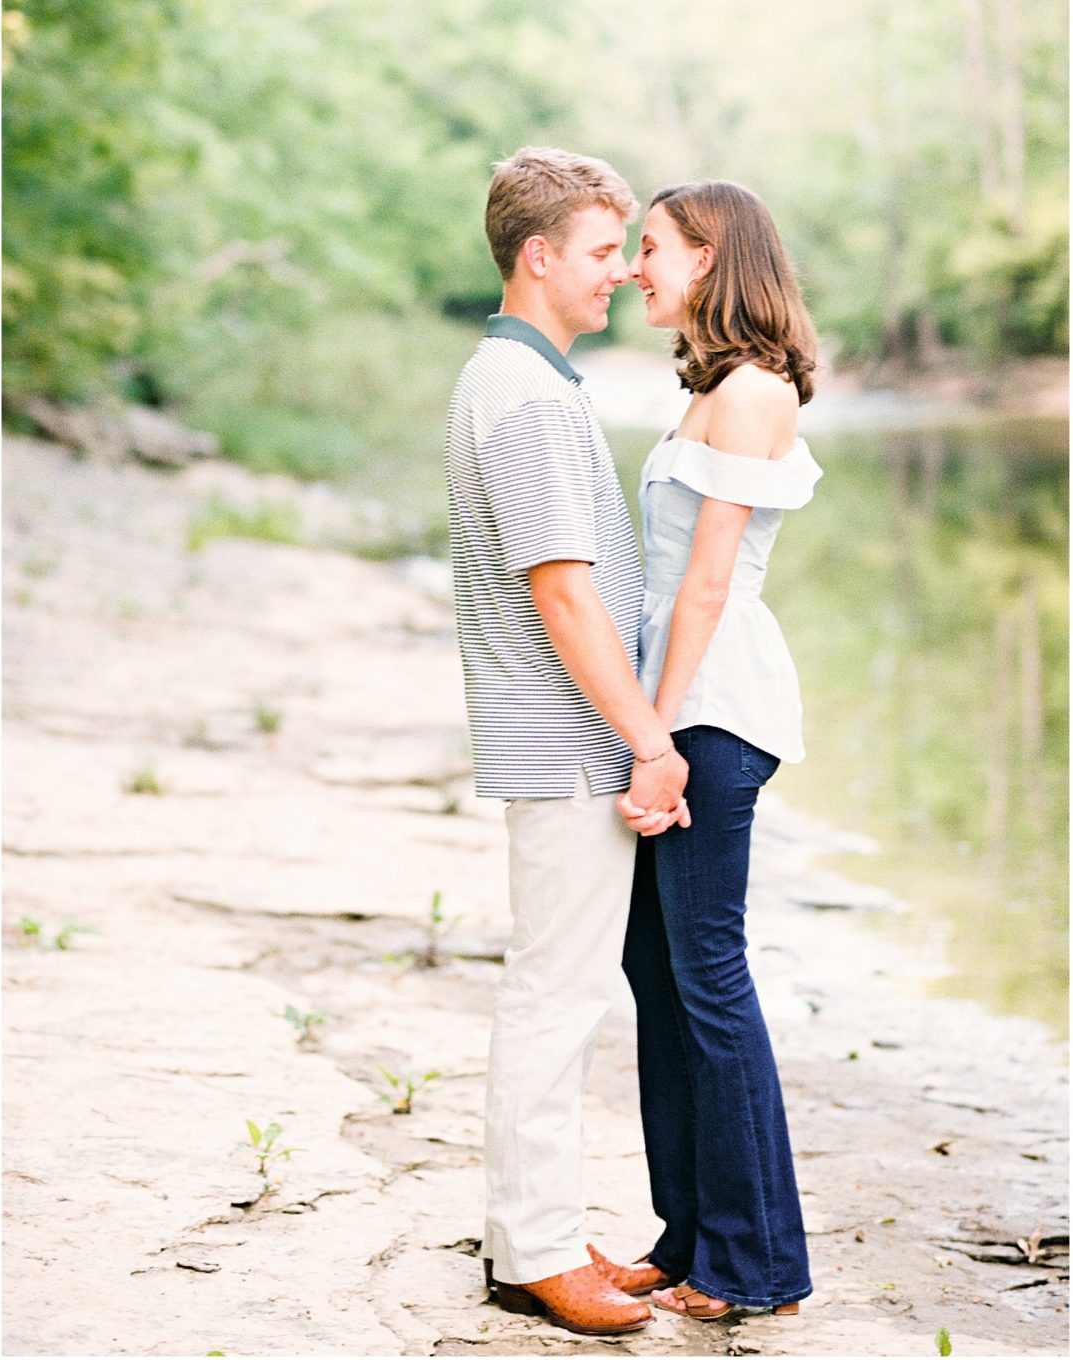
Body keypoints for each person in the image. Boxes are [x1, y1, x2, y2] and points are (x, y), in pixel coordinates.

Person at [444, 147, 690, 1337]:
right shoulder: (528, 395)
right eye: (602, 252)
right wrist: (648, 738)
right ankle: (535, 1253)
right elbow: (564, 593)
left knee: (563, 989)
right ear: (537, 257)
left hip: (562, 738)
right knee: (558, 996)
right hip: (571, 743)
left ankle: (529, 1228)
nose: (618, 275)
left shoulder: (519, 380)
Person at [588, 179, 820, 1321]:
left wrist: (659, 737)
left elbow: (709, 581)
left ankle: (752, 1265)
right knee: (655, 969)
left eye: (652, 249)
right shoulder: (715, 387)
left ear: (710, 257)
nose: (636, 267)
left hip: (712, 712)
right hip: (677, 707)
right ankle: (685, 1237)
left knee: (708, 975)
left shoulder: (753, 393)